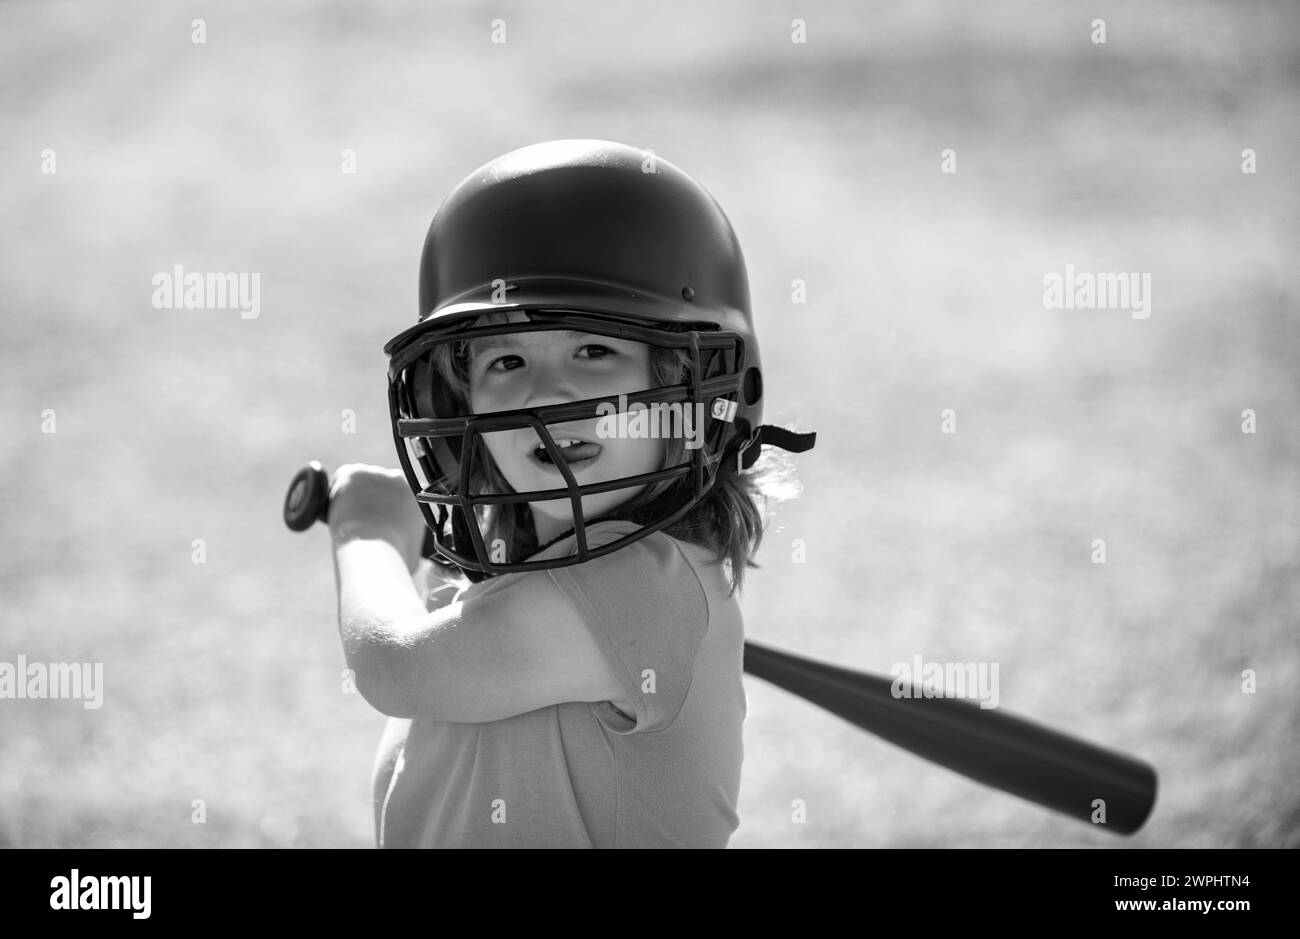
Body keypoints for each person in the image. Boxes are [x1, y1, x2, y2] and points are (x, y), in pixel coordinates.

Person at [327, 139, 815, 847]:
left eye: (594, 350)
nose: (547, 390)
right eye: (508, 359)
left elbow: (398, 665)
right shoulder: (501, 585)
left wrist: (367, 533)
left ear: (688, 384)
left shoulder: (641, 588)